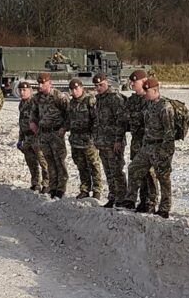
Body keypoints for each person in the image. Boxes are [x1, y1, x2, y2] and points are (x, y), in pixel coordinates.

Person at [133, 78, 176, 217]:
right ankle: (148, 202)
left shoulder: (165, 107)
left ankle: (164, 208)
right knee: (135, 168)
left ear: (155, 90)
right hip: (148, 146)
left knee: (163, 178)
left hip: (160, 147)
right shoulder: (149, 105)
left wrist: (165, 152)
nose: (145, 93)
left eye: (147, 90)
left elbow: (169, 132)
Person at [91, 74, 130, 208]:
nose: (98, 88)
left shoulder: (115, 98)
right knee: (108, 171)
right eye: (96, 86)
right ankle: (113, 196)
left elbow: (121, 121)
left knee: (117, 171)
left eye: (101, 85)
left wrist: (118, 140)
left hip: (114, 142)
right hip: (103, 142)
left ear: (106, 83)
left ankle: (122, 197)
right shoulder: (99, 100)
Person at [124, 70, 160, 212]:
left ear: (144, 81)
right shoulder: (132, 100)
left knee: (150, 173)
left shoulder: (150, 100)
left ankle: (150, 202)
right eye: (131, 81)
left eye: (135, 81)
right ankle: (141, 200)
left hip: (149, 141)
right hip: (136, 141)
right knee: (138, 171)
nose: (132, 84)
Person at [64, 78, 104, 199]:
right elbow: (69, 119)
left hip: (88, 139)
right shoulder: (72, 103)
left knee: (94, 165)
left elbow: (96, 120)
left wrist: (94, 136)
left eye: (76, 88)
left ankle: (97, 190)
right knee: (81, 166)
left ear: (82, 88)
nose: (74, 91)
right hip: (76, 139)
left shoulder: (89, 100)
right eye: (72, 89)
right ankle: (85, 189)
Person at [33, 73, 71, 199]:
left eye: (43, 83)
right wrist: (33, 123)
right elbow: (34, 113)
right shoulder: (37, 98)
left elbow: (68, 113)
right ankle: (52, 187)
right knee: (49, 161)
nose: (40, 86)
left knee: (59, 160)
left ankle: (61, 188)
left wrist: (64, 128)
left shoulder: (58, 96)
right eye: (39, 83)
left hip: (56, 133)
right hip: (44, 134)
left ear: (49, 83)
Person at [16, 82, 43, 191]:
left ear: (30, 91)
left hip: (36, 136)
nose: (22, 92)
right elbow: (21, 122)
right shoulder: (22, 104)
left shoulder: (35, 103)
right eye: (20, 90)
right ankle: (35, 183)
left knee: (43, 161)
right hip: (26, 137)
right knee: (31, 162)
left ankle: (46, 184)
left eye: (24, 90)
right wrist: (20, 139)